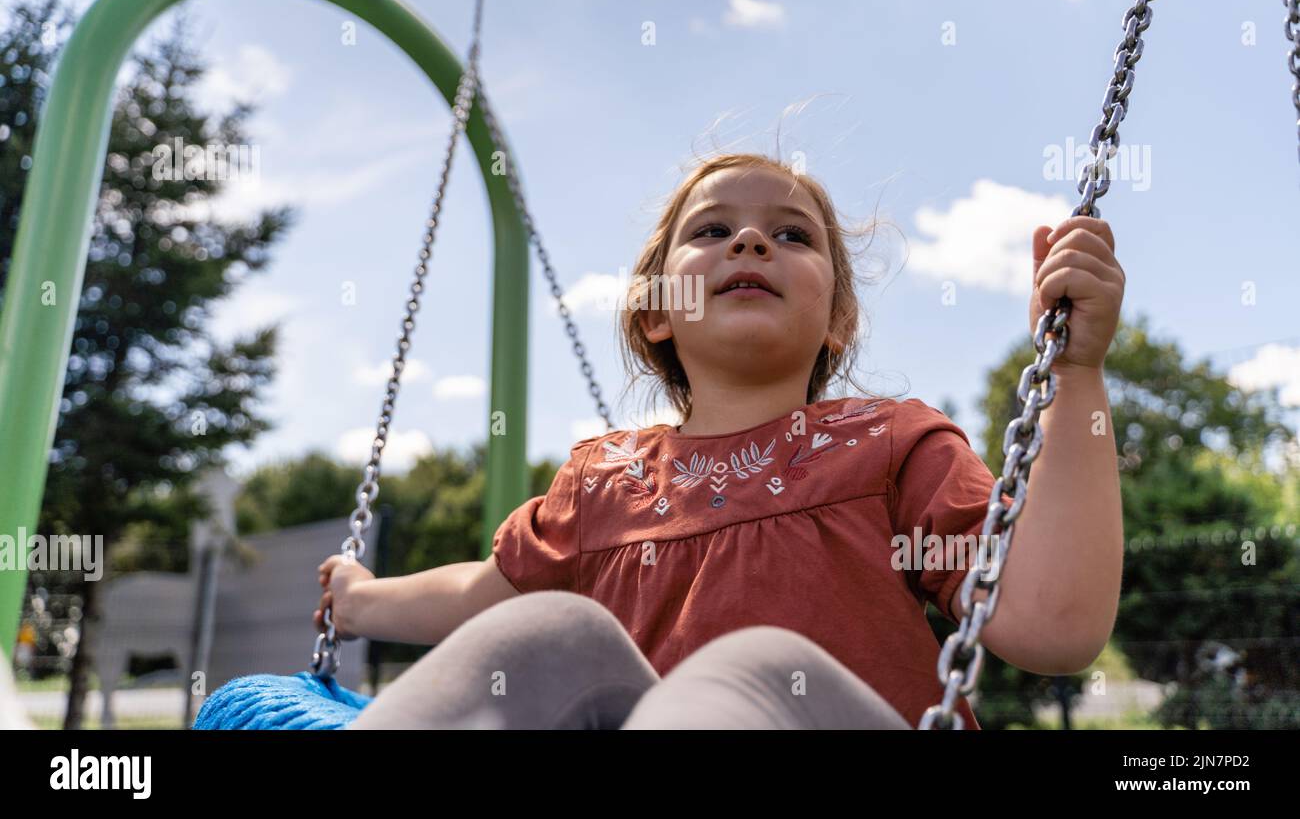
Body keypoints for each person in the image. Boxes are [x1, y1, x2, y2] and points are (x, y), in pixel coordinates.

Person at [317, 151, 1126, 729]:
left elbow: (1050, 624)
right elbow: (483, 598)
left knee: (760, 669)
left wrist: (1078, 373)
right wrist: (357, 602)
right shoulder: (604, 481)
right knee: (547, 636)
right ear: (656, 312)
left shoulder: (888, 445)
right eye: (712, 230)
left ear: (838, 320)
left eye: (793, 236)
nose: (750, 242)